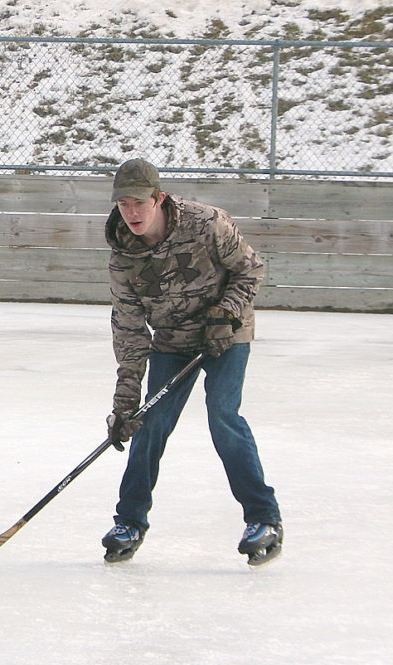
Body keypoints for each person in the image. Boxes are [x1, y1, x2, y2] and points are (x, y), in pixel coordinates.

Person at [101, 158, 282, 566]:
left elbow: (250, 270)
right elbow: (129, 333)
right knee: (151, 423)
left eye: (140, 202)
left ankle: (263, 518)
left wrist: (227, 313)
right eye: (123, 203)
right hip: (172, 341)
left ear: (159, 198)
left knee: (222, 415)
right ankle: (129, 521)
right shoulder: (122, 258)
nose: (131, 212)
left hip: (226, 333)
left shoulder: (207, 224)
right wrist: (124, 404)